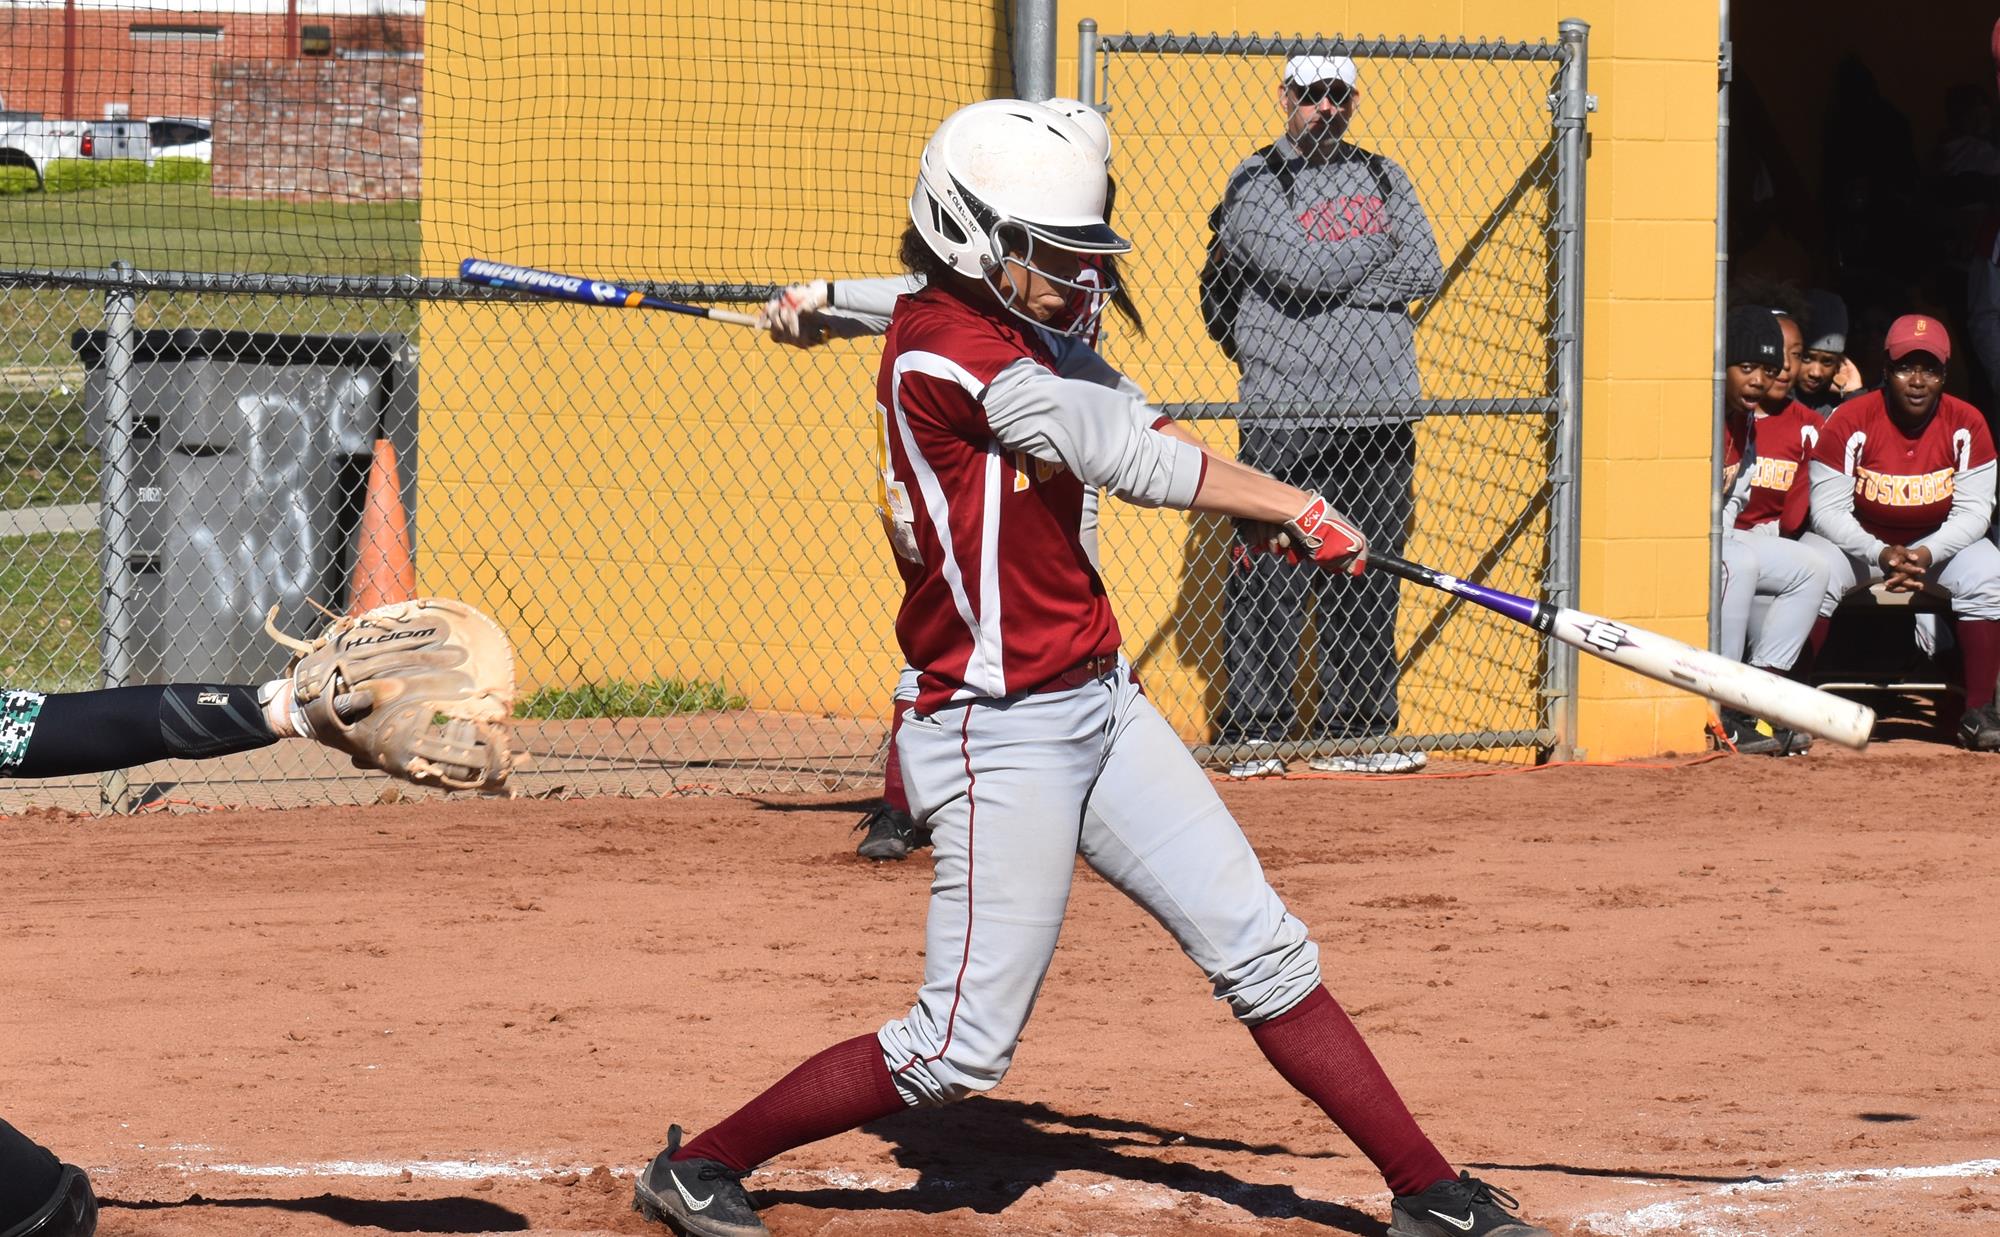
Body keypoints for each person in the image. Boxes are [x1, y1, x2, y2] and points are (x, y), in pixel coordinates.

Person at [630, 98, 1550, 1237]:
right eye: (1051, 260)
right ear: (975, 242)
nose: (1076, 282)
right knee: (956, 1050)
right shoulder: (952, 362)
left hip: (1097, 704)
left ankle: (1428, 1192)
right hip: (989, 724)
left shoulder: (987, 326)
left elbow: (1108, 397)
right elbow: (1111, 446)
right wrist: (1289, 503)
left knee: (1260, 947)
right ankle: (701, 1164)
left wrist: (822, 303)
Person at [756, 98, 1142, 862]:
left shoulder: (1074, 270)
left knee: (1069, 616)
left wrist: (830, 300)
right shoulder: (1007, 261)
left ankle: (1085, 773)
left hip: (1050, 479)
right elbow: (918, 306)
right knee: (955, 618)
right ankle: (909, 803)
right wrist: (823, 308)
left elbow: (1070, 374)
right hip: (964, 476)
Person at [1201, 54, 1444, 778]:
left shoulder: (1382, 174)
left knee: (1365, 568)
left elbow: (1425, 265)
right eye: (1311, 95)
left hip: (1379, 409)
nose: (1325, 107)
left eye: (1338, 94)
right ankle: (1255, 731)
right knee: (1269, 572)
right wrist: (1372, 260)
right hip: (1286, 411)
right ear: (1286, 97)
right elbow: (1290, 271)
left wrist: (1330, 276)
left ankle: (1359, 730)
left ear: (1354, 100)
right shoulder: (1256, 179)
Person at [1809, 315, 2000, 751]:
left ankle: (1978, 711)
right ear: (1885, 370)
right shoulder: (1850, 418)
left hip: (1937, 545)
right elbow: (1826, 512)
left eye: (1929, 369)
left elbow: (1975, 513)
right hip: (1861, 543)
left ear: (1944, 375)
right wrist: (1880, 553)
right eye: (1905, 367)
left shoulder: (1967, 422)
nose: (1917, 381)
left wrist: (1927, 554)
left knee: (1990, 570)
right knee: (1813, 567)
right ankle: (1793, 706)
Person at [1716, 308, 1830, 756]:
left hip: (1720, 535)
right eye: (1745, 368)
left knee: (1811, 568)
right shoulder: (1701, 410)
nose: (1758, 381)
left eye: (1767, 370)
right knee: (1738, 561)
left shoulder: (1743, 418)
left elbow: (1737, 495)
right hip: (1684, 542)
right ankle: (1720, 706)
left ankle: (1757, 698)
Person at [1794, 289, 1864, 417]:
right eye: (1807, 358)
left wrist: (1853, 394)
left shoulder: (1838, 408)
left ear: (1840, 363)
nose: (1815, 373)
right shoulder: (1773, 400)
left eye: (1827, 361)